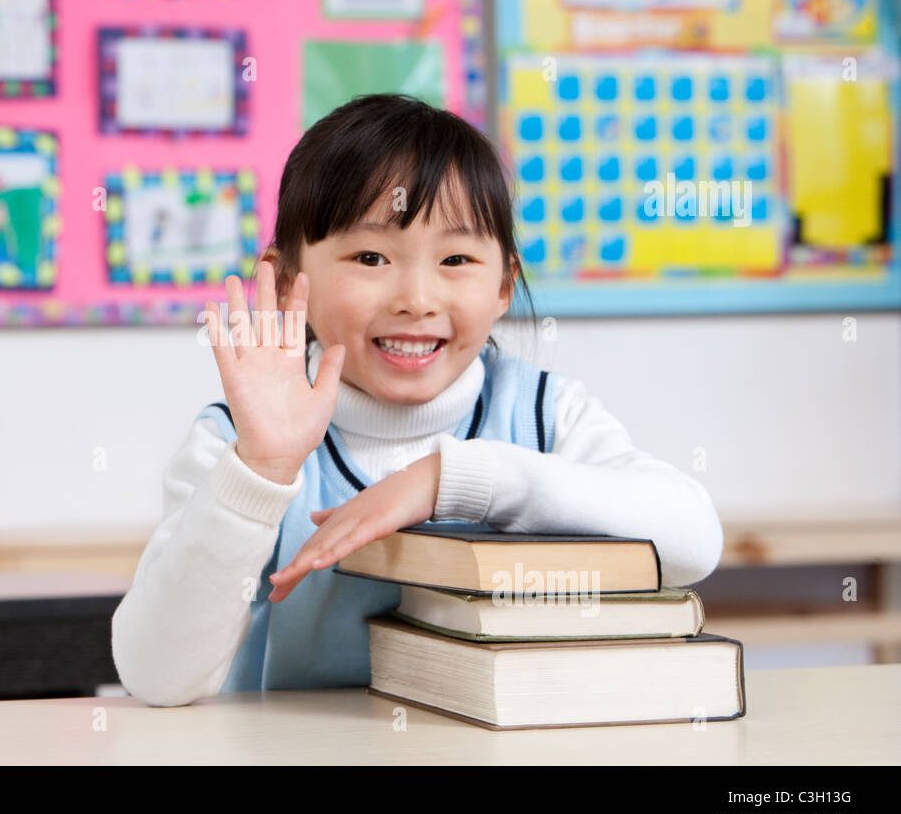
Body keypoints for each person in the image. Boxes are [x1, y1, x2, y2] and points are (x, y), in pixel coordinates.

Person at [111, 94, 724, 708]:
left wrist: (454, 479)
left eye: (456, 259)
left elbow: (694, 539)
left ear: (504, 284)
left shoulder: (545, 414)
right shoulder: (236, 442)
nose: (416, 298)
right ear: (286, 278)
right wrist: (262, 473)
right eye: (370, 257)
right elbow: (156, 678)